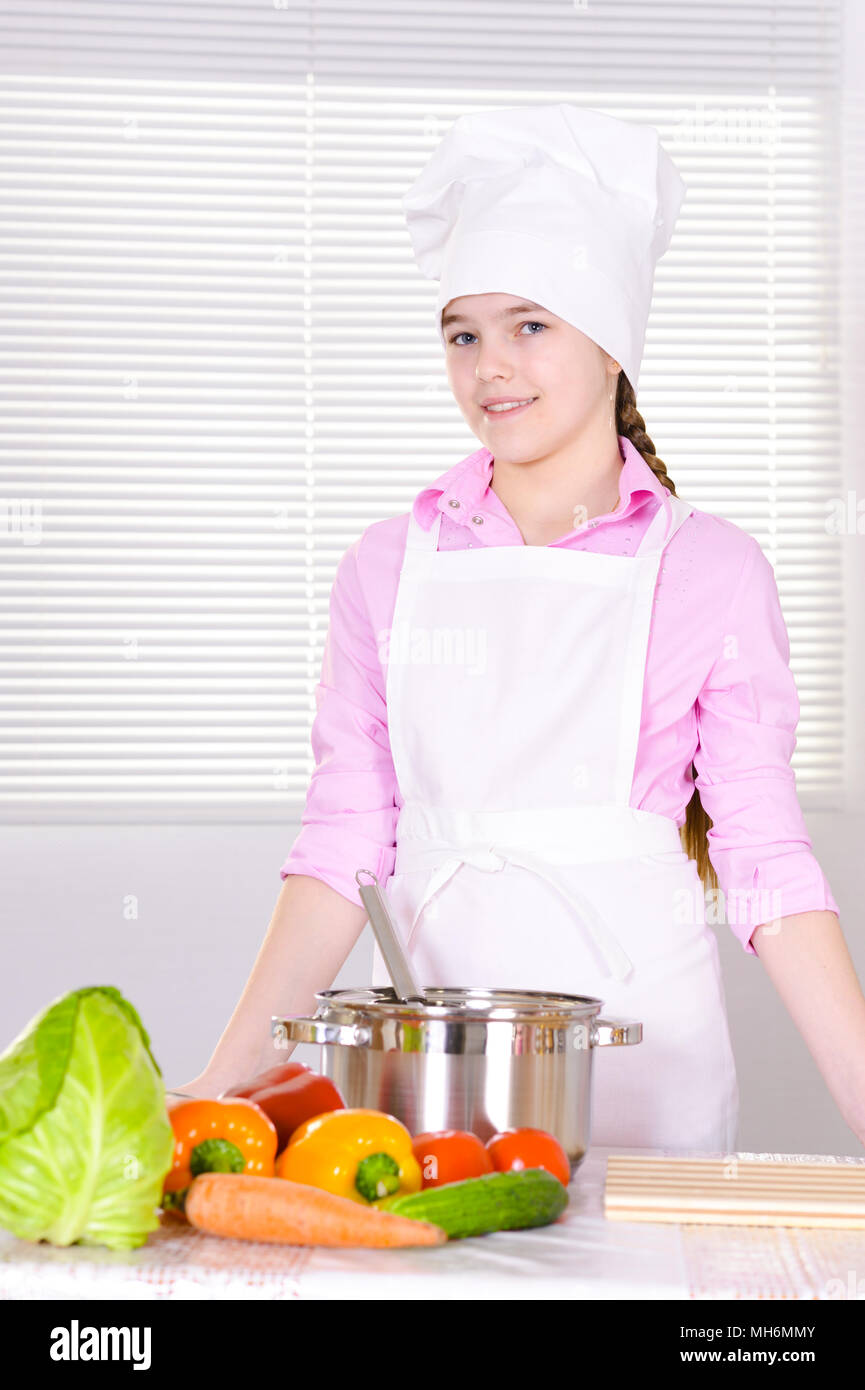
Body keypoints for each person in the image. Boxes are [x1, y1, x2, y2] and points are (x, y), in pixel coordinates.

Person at [174, 105, 865, 1153]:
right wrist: (213, 1090)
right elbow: (340, 849)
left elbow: (767, 863)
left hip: (647, 1082)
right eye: (463, 333)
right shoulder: (385, 568)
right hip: (428, 1085)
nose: (490, 366)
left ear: (612, 342)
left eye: (529, 325)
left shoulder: (710, 570)